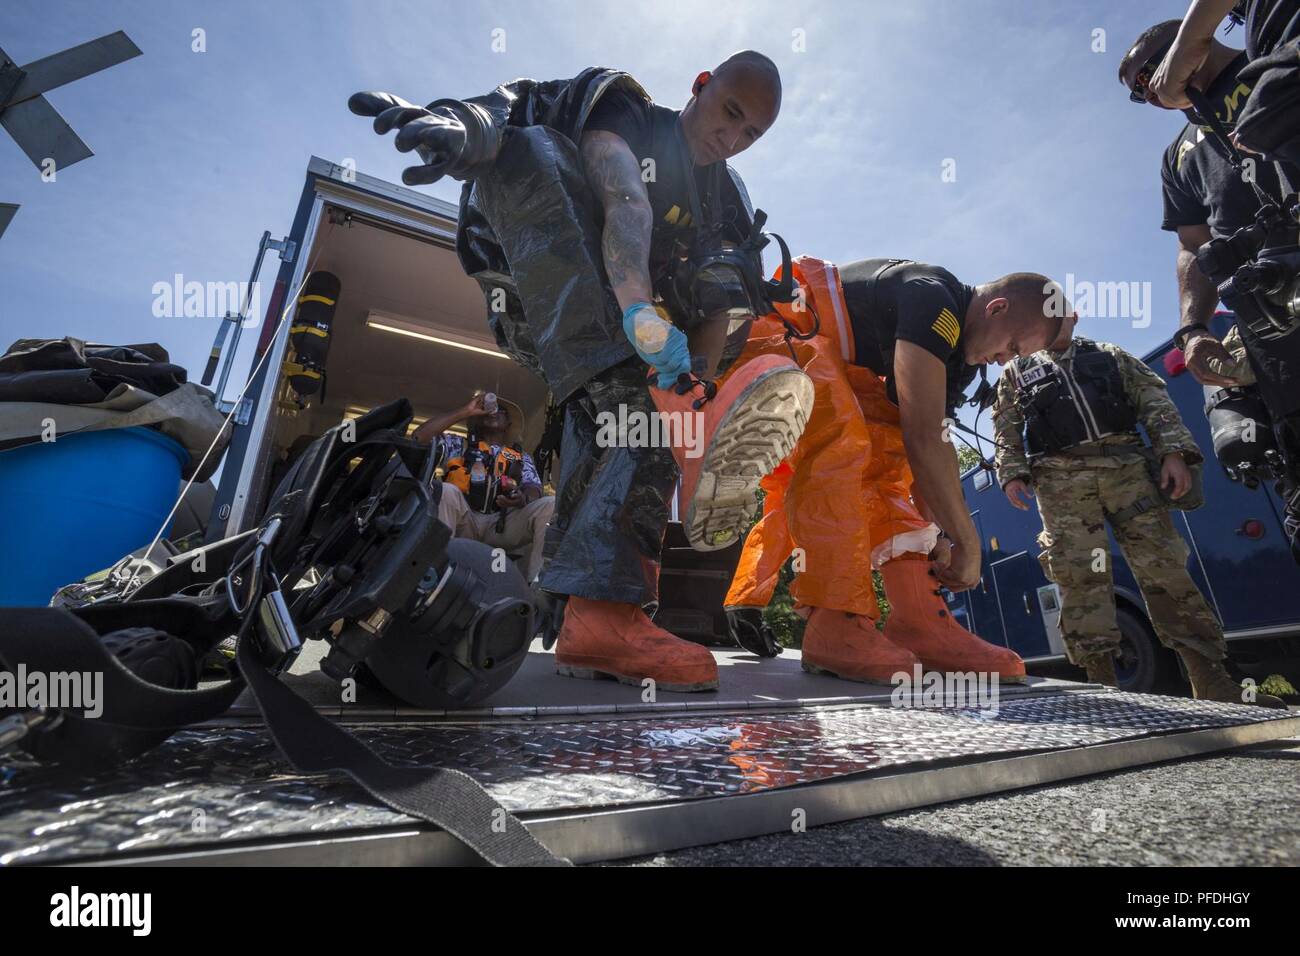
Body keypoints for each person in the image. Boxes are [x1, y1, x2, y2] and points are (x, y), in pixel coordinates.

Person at [351, 53, 814, 693]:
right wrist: (638, 311)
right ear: (701, 85)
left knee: (621, 411)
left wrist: (696, 388)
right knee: (540, 156)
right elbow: (626, 200)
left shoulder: (726, 198)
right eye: (729, 113)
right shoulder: (626, 111)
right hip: (536, 277)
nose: (730, 139)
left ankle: (585, 622)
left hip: (626, 322)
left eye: (751, 135)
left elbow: (719, 300)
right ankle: (606, 616)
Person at [723, 257, 1065, 683]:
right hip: (774, 337)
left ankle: (918, 621)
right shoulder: (933, 299)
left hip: (833, 364)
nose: (1003, 361)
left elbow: (924, 460)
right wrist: (968, 544)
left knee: (883, 462)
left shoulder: (961, 362)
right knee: (840, 447)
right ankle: (834, 620)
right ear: (996, 308)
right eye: (1012, 347)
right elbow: (926, 438)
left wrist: (937, 536)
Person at [991, 308, 1284, 707]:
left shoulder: (1109, 353)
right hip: (1060, 479)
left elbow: (1154, 400)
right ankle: (1104, 691)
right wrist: (1011, 471)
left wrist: (1174, 453)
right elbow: (1005, 424)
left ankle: (1213, 682)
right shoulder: (1017, 371)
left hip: (1126, 467)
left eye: (1059, 315)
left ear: (1074, 317)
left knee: (1164, 567)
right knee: (1080, 577)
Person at [1120, 17, 1300, 558]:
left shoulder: (1273, 63)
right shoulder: (1178, 155)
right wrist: (1193, 328)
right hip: (1267, 324)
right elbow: (1193, 246)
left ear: (1186, 46)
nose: (1148, 94)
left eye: (1147, 77)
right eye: (1136, 93)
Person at [413, 392, 553, 584]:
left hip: (501, 525)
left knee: (549, 504)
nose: (493, 412)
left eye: (501, 411)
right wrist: (464, 411)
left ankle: (537, 587)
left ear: (508, 425)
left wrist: (522, 498)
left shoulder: (521, 457)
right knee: (446, 490)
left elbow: (533, 489)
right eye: (487, 410)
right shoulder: (457, 445)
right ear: (476, 420)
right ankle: (437, 574)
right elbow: (419, 437)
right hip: (465, 520)